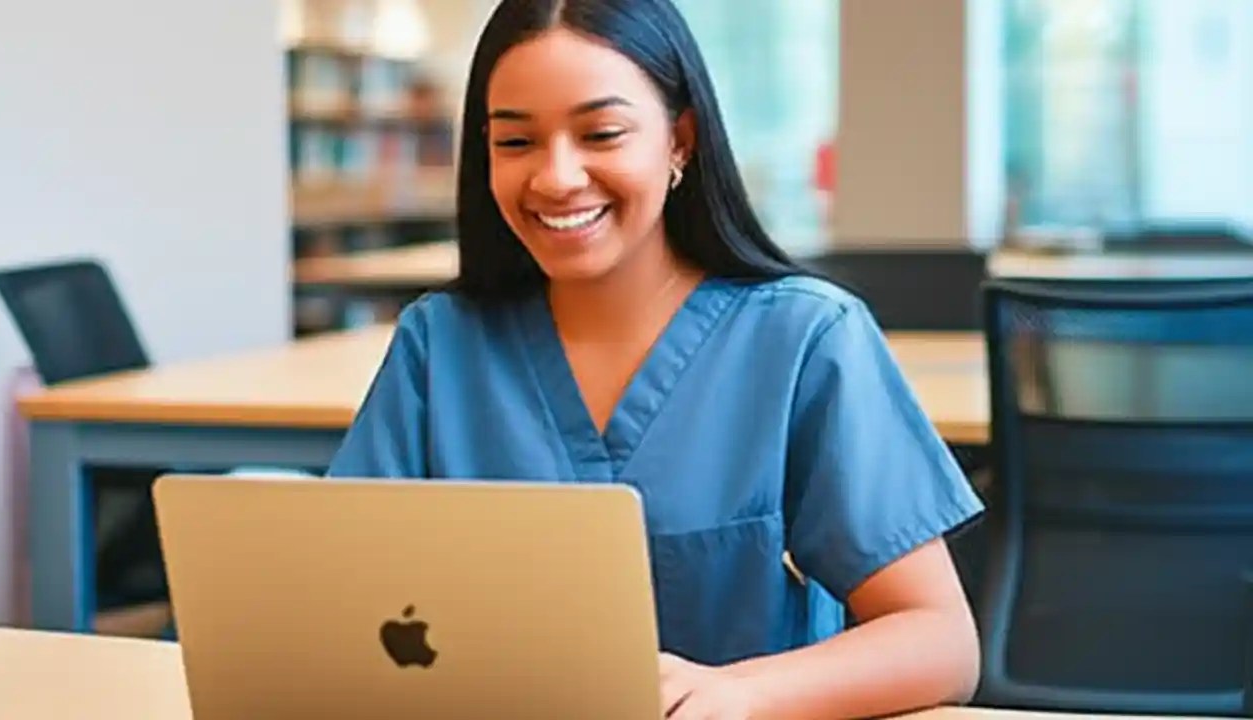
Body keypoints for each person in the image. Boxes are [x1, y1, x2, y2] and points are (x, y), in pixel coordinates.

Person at [327, 0, 985, 717]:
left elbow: (940, 641)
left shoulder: (805, 338)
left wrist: (742, 691)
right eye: (515, 143)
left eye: (601, 133)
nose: (556, 178)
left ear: (680, 140)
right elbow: (344, 610)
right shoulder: (438, 346)